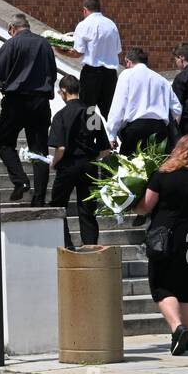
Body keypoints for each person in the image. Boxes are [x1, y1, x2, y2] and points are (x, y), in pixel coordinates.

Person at [137, 135, 188, 356]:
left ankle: (177, 328)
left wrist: (131, 204)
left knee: (161, 284)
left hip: (166, 235)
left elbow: (145, 206)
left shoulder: (163, 175)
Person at [0, 13, 58, 203]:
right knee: (39, 151)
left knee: (4, 142)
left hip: (16, 101)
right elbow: (52, 74)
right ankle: (39, 198)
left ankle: (20, 180)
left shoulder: (12, 44)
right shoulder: (44, 44)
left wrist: (1, 85)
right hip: (40, 103)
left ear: (12, 28)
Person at [48, 75, 112, 249]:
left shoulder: (60, 116)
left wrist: (54, 163)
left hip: (67, 166)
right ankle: (90, 247)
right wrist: (92, 156)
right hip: (89, 166)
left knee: (58, 206)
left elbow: (60, 148)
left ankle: (67, 245)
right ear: (79, 90)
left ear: (62, 92)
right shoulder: (92, 113)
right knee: (87, 209)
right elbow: (105, 148)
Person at [105, 48, 182, 155]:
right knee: (158, 167)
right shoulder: (162, 80)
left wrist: (112, 134)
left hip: (136, 128)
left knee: (129, 168)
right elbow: (177, 109)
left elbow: (118, 106)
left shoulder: (127, 75)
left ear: (128, 61)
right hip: (160, 129)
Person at [62, 0, 122, 121]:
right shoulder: (111, 24)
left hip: (91, 73)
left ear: (85, 10)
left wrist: (58, 50)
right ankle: (120, 137)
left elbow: (77, 52)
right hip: (110, 74)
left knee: (87, 110)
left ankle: (87, 139)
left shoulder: (84, 24)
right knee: (110, 111)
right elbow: (117, 50)